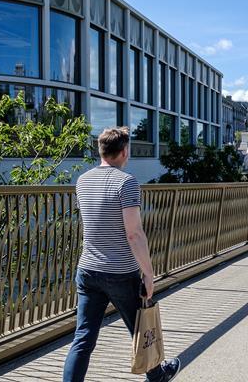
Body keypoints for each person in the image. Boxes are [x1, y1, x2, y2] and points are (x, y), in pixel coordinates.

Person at [63, 127, 181, 382]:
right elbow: (134, 234)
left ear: (100, 150)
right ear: (125, 151)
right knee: (140, 328)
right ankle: (157, 375)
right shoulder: (126, 183)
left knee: (83, 338)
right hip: (120, 272)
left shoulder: (82, 181)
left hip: (87, 270)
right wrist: (148, 274)